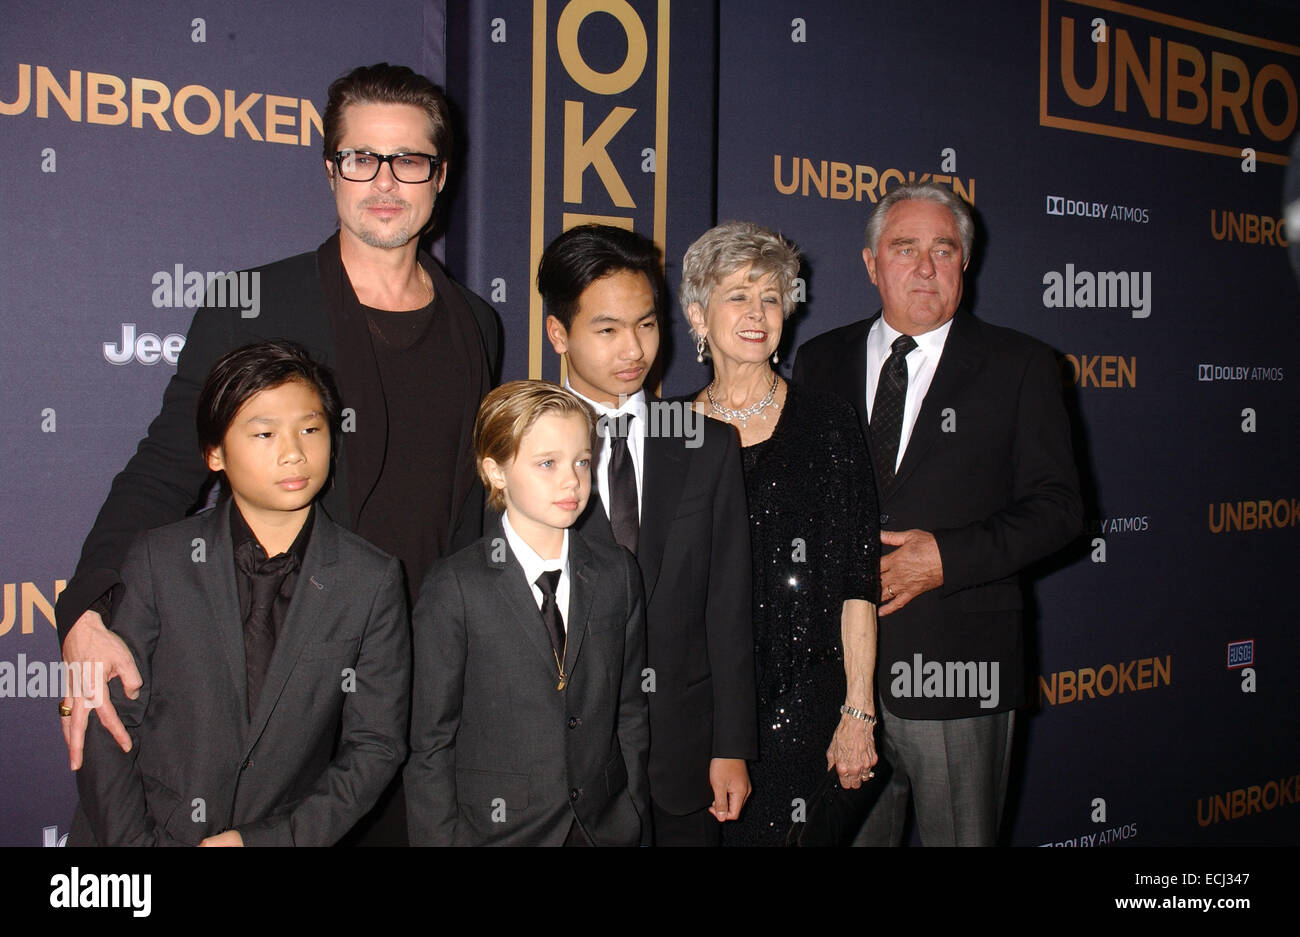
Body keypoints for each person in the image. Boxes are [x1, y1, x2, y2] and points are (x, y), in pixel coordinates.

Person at [55, 63, 501, 844]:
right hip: (273, 696)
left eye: (410, 160)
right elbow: (165, 467)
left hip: (403, 702)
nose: (385, 180)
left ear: (442, 176)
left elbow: (468, 521)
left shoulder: (478, 326)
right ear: (330, 170)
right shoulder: (253, 302)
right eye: (361, 157)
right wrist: (88, 608)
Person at [792, 181, 1083, 846]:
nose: (925, 267)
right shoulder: (820, 360)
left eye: (943, 250)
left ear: (965, 263)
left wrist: (945, 559)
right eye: (905, 248)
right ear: (871, 264)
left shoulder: (1021, 365)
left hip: (960, 667)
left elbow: (1060, 510)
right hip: (836, 678)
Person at [70, 341, 409, 846]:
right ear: (214, 453)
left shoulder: (370, 579)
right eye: (265, 433)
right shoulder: (158, 560)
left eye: (310, 429)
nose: (293, 451)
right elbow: (110, 724)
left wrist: (267, 841)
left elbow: (375, 745)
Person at [538, 225, 757, 845]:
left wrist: (731, 744)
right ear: (560, 334)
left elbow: (728, 606)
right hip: (559, 765)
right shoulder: (518, 446)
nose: (634, 349)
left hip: (682, 757)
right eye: (607, 330)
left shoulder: (708, 445)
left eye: (648, 324)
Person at [681, 221, 880, 847]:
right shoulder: (666, 433)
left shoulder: (827, 424)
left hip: (804, 702)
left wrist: (858, 711)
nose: (757, 312)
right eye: (737, 295)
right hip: (696, 703)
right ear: (697, 315)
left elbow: (857, 580)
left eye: (771, 296)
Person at [405, 381, 649, 845]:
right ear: (495, 472)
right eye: (547, 464)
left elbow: (630, 709)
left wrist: (631, 807)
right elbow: (431, 743)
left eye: (581, 460)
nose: (572, 481)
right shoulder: (455, 586)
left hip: (602, 828)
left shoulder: (617, 571)